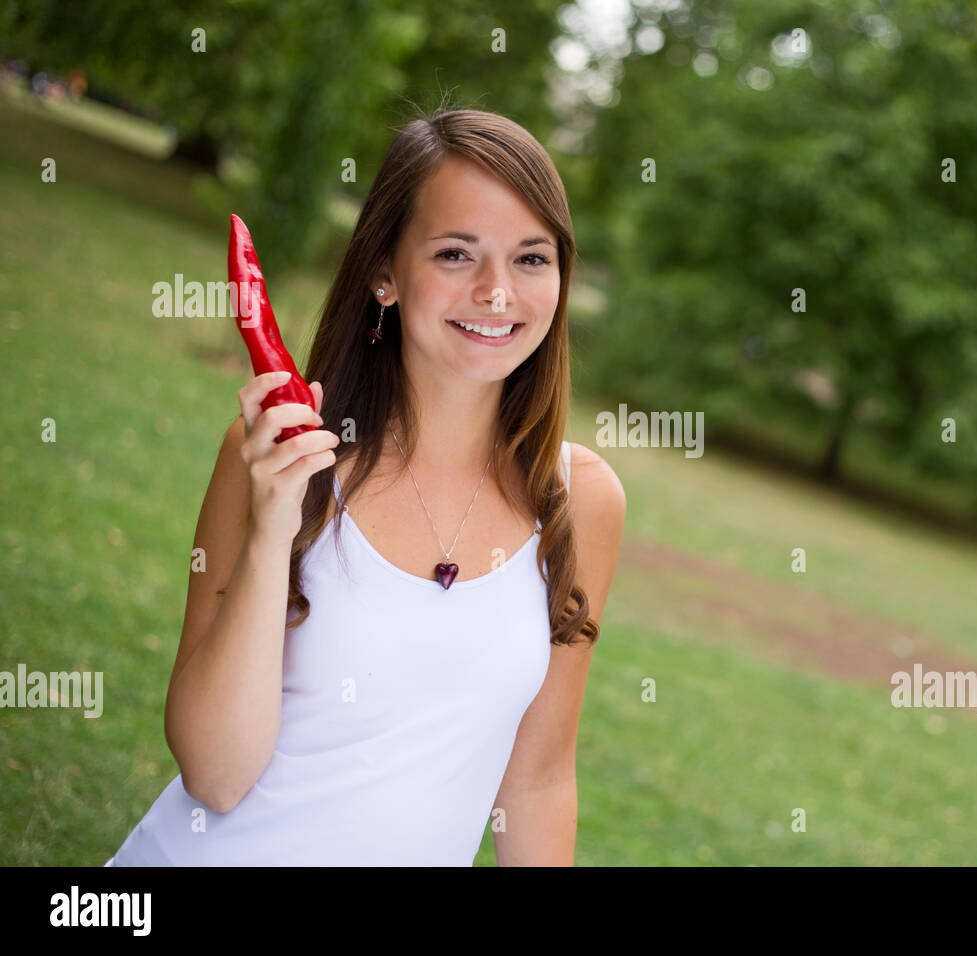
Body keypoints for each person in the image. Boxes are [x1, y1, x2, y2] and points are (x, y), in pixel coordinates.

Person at [105, 106, 627, 866]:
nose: (496, 292)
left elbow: (539, 781)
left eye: (531, 258)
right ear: (385, 271)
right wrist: (271, 530)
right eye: (456, 253)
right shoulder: (284, 457)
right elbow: (215, 776)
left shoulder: (582, 500)